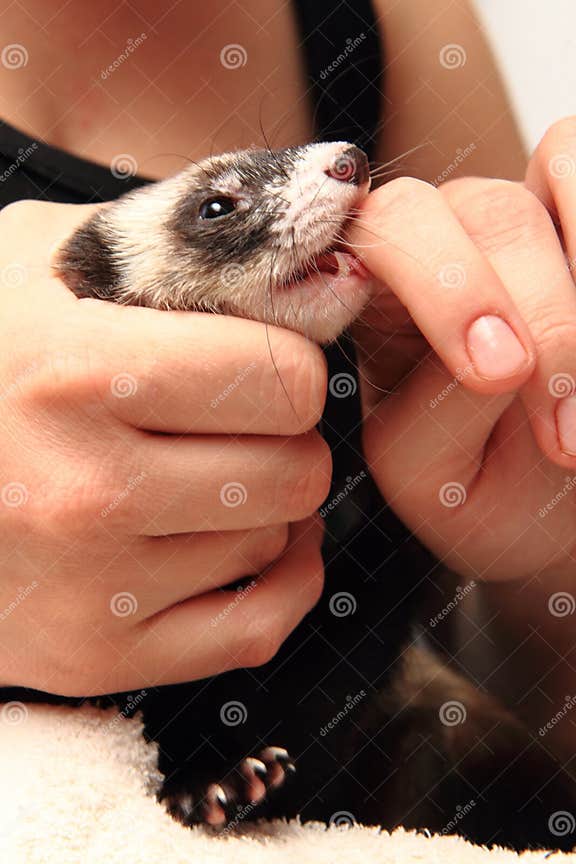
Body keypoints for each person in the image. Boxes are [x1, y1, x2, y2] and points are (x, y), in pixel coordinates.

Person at [0, 0, 574, 817]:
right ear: (109, 284)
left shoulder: (392, 26)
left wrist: (547, 553)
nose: (342, 168)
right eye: (220, 211)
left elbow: (506, 697)